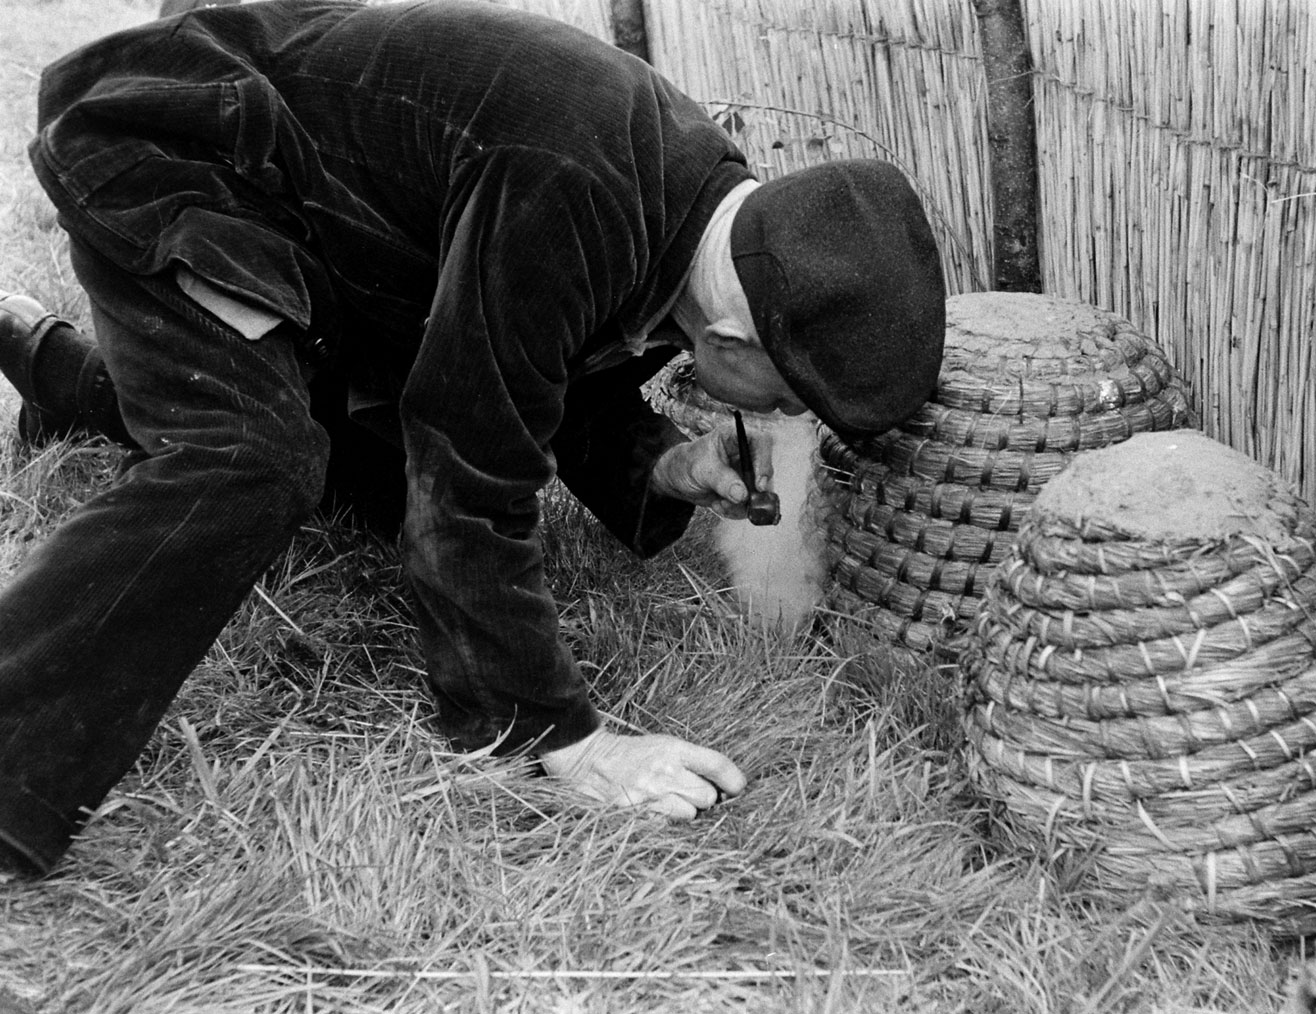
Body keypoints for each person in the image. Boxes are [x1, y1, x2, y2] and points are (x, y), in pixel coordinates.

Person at [0, 0, 946, 879]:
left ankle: (45, 362)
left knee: (345, 465)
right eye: (789, 399)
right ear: (734, 341)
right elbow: (466, 473)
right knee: (252, 461)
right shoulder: (574, 190)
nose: (786, 421)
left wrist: (673, 463)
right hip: (189, 153)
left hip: (330, 241)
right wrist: (559, 733)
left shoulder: (710, 217)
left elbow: (548, 372)